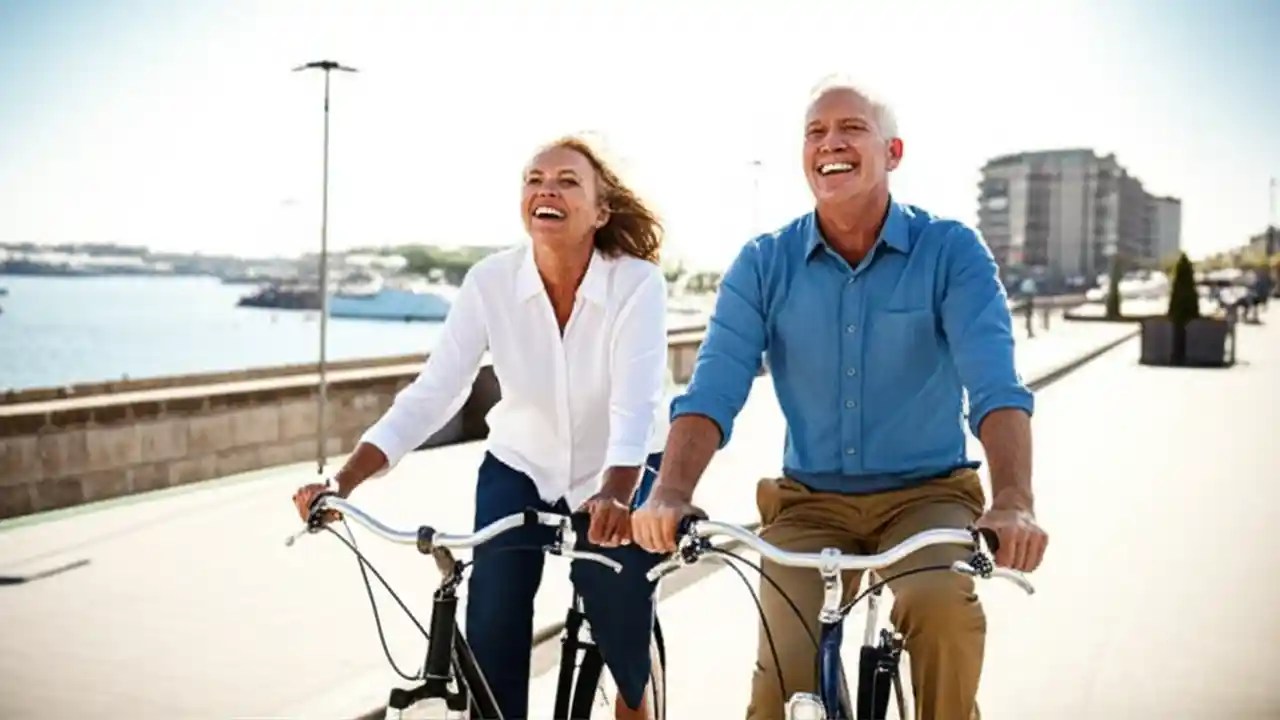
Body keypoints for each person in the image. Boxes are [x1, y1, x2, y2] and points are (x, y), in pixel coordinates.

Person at [631, 77, 1050, 719]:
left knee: (942, 608)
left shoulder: (951, 252)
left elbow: (995, 385)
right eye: (815, 132)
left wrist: (1014, 501)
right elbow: (712, 390)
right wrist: (670, 492)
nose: (831, 142)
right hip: (810, 504)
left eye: (852, 128)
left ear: (893, 152)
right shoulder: (764, 263)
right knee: (781, 674)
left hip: (929, 495)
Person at [292, 135, 671, 720]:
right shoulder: (490, 282)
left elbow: (635, 404)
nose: (546, 188)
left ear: (601, 211)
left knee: (618, 613)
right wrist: (344, 481)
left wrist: (617, 494)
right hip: (521, 465)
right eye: (533, 178)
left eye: (568, 180)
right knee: (492, 625)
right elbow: (435, 391)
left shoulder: (636, 283)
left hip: (617, 472)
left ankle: (635, 699)